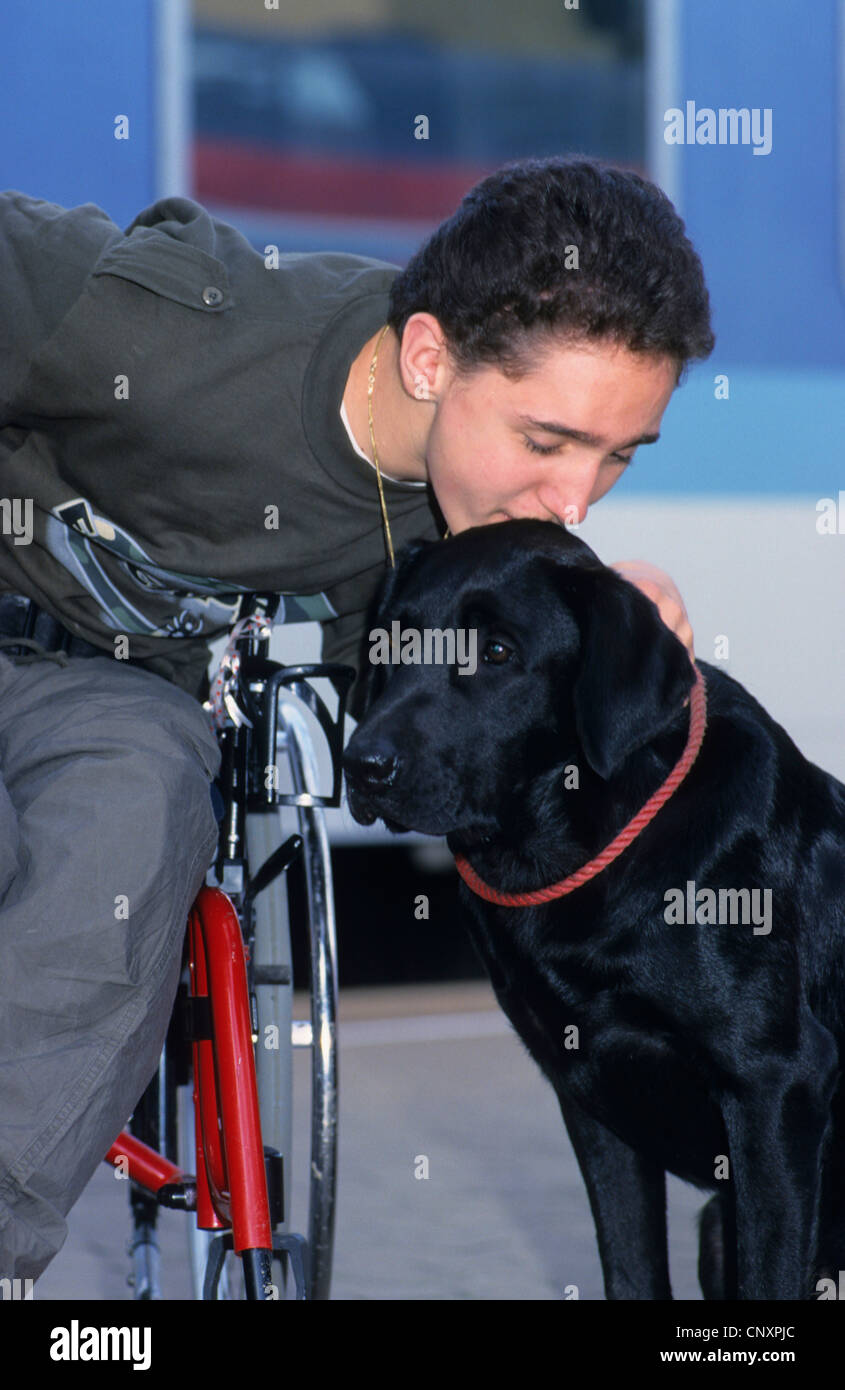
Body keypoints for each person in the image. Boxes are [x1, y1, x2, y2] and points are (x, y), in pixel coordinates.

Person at [0, 155, 713, 1284]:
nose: (573, 502)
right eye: (544, 441)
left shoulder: (447, 554)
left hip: (114, 698)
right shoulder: (163, 322)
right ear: (429, 357)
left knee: (140, 806)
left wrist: (598, 639)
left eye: (614, 456)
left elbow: (442, 712)